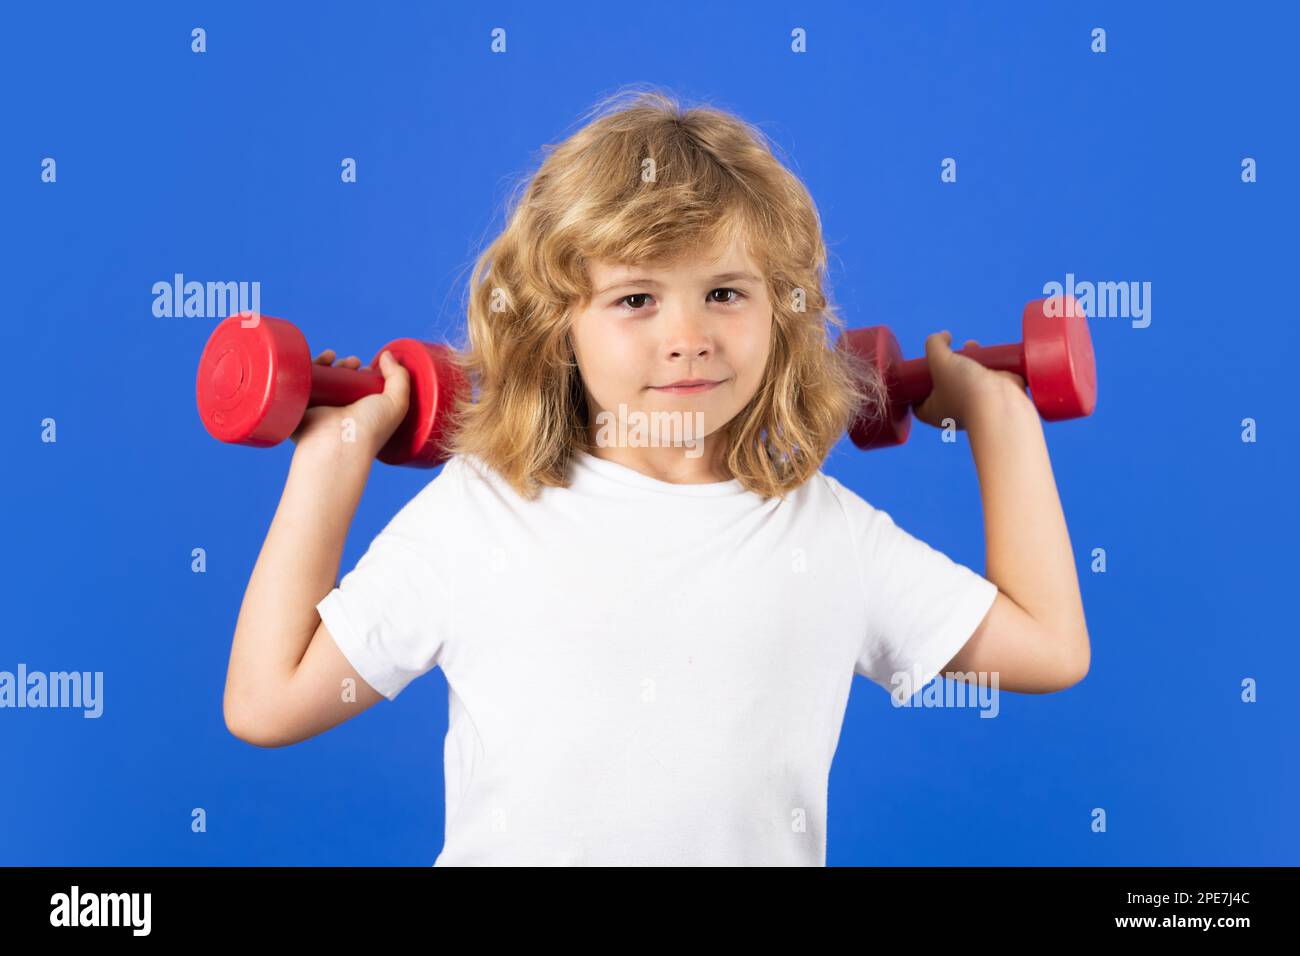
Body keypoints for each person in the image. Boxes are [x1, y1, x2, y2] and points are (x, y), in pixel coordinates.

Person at [221, 87, 1091, 866]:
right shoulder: (478, 514)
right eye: (636, 298)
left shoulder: (822, 533)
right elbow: (269, 702)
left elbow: (1049, 647)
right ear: (557, 328)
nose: (688, 335)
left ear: (784, 318)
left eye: (725, 293)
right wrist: (331, 454)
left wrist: (1000, 419)